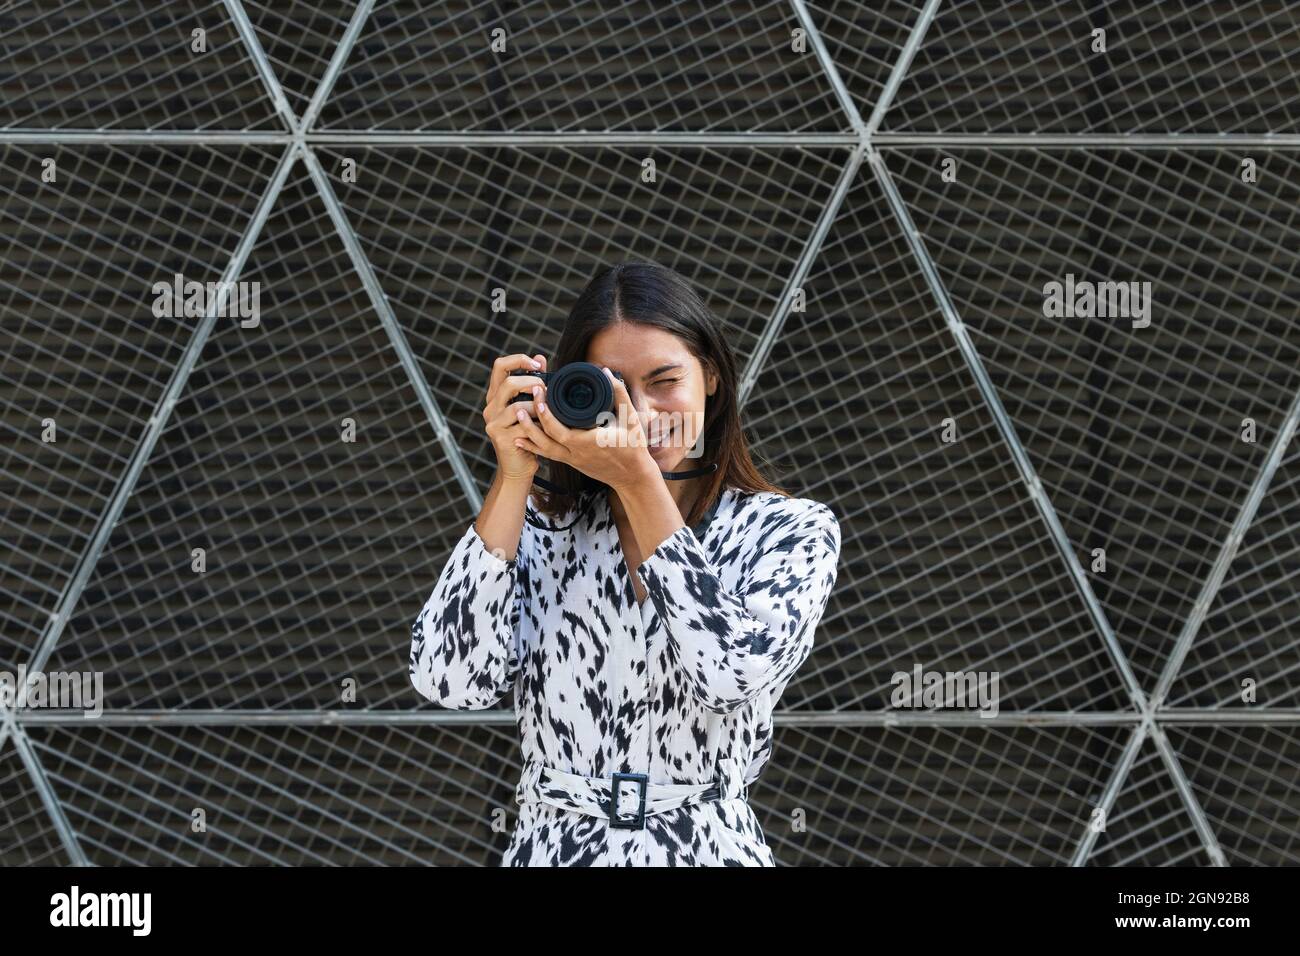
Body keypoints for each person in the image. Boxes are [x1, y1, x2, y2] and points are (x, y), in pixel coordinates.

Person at [409, 260, 841, 865]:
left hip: (704, 846)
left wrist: (639, 484)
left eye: (664, 380)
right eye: (613, 388)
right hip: (554, 846)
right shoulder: (545, 525)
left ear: (710, 375)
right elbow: (451, 681)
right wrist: (513, 477)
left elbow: (730, 677)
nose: (639, 412)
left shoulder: (788, 530)